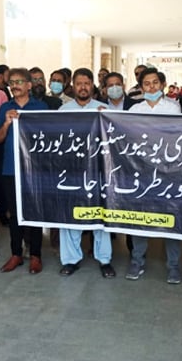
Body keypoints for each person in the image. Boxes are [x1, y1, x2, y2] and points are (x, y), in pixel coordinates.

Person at [125, 68, 182, 283]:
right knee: (140, 217)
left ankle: (174, 265)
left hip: (168, 170)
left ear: (162, 84)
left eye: (155, 83)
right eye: (146, 84)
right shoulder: (134, 109)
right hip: (141, 170)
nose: (151, 87)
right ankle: (137, 261)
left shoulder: (173, 107)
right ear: (141, 88)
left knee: (170, 218)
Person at [57, 68, 115, 278]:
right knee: (71, 216)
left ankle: (104, 259)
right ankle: (71, 260)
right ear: (73, 86)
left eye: (87, 83)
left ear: (93, 86)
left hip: (98, 171)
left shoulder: (105, 109)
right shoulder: (63, 110)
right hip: (72, 172)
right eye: (79, 83)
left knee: (101, 216)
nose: (83, 87)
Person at [0, 68, 48, 274]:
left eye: (19, 81)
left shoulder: (41, 107)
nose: (14, 85)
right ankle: (16, 253)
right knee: (15, 214)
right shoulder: (4, 108)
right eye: (11, 82)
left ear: (29, 85)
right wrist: (7, 123)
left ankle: (36, 255)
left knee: (33, 212)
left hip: (34, 170)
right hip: (11, 169)